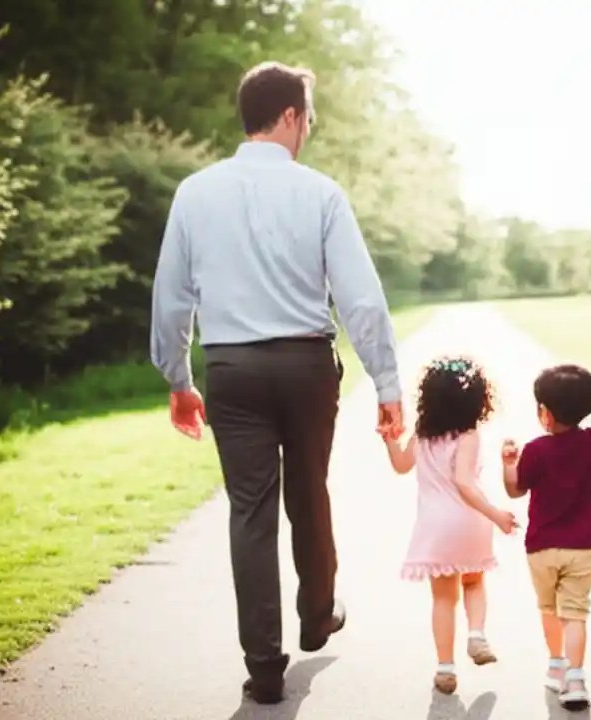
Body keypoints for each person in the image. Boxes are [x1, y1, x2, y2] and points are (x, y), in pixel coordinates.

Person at [149, 60, 404, 705]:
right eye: (308, 118)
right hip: (306, 367)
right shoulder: (319, 193)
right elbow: (362, 300)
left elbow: (171, 299)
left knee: (250, 513)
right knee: (308, 491)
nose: (308, 131)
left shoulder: (195, 193)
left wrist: (178, 377)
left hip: (232, 369)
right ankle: (318, 615)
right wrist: (387, 382)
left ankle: (264, 664)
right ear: (290, 115)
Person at [382, 356, 517, 695]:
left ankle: (445, 667)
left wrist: (388, 439)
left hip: (436, 527)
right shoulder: (468, 436)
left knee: (443, 599)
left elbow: (401, 465)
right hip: (470, 521)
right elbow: (465, 483)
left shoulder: (422, 436)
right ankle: (477, 634)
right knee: (473, 582)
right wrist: (496, 514)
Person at [501, 365, 591, 712]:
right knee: (575, 613)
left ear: (544, 413)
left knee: (549, 608)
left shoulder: (535, 450)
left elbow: (515, 489)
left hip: (541, 549)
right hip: (584, 548)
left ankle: (556, 662)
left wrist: (508, 463)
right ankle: (575, 677)